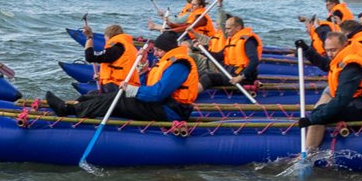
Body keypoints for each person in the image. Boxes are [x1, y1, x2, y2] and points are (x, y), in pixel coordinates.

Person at [45, 31, 197, 121]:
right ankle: (73, 105)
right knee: (109, 95)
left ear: (166, 49)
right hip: (162, 105)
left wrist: (131, 90)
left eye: (158, 50)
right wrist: (142, 69)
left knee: (119, 99)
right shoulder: (166, 62)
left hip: (172, 111)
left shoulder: (179, 65)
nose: (155, 54)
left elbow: (158, 93)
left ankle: (69, 111)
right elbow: (150, 88)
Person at [299, 21, 362, 148]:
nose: (330, 54)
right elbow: (327, 65)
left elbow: (342, 99)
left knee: (319, 114)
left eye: (333, 50)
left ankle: (308, 154)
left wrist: (312, 119)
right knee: (323, 104)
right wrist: (307, 50)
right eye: (328, 50)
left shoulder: (351, 65)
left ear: (344, 44)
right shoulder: (347, 52)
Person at [200, 15, 263, 89]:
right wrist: (204, 50)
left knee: (207, 77)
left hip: (243, 77)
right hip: (230, 72)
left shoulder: (248, 40)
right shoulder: (232, 40)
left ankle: (192, 95)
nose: (226, 32)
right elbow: (218, 56)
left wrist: (241, 76)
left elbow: (254, 61)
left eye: (228, 29)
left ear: (238, 28)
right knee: (200, 73)